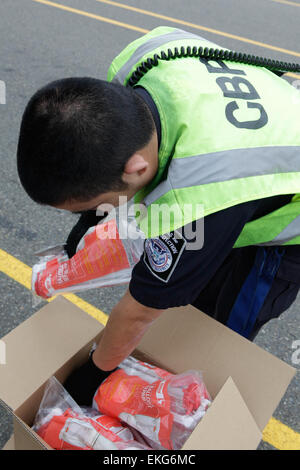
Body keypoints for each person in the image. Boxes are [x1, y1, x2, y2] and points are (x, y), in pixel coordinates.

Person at [16, 26, 300, 405]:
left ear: (135, 168)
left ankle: (204, 411)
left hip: (282, 225)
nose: (91, 213)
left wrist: (94, 374)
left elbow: (137, 312)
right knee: (188, 285)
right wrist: (87, 223)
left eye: (90, 206)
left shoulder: (196, 200)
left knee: (220, 326)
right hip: (266, 136)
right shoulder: (148, 53)